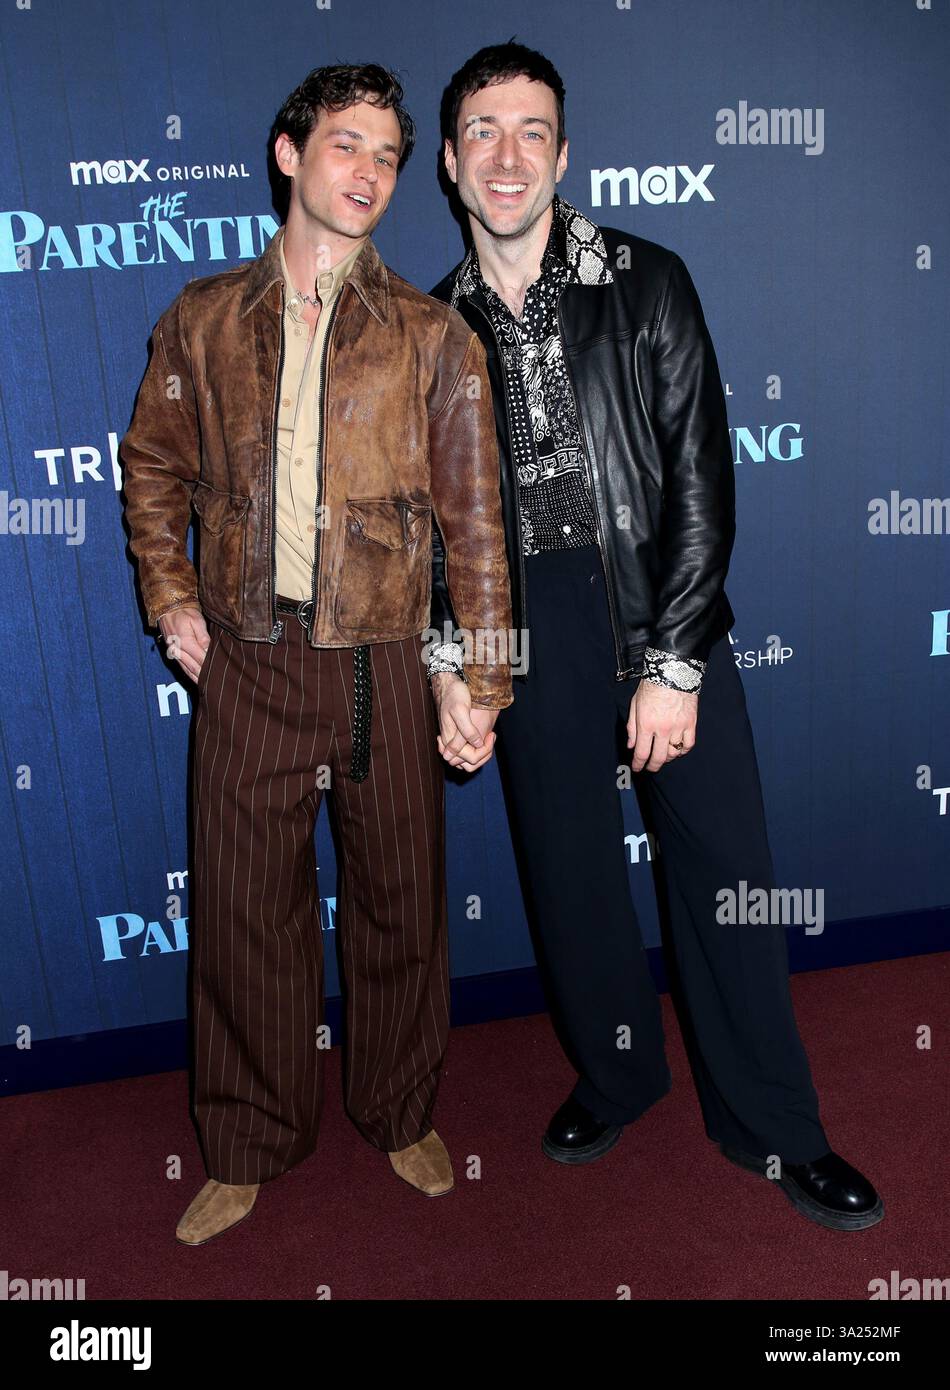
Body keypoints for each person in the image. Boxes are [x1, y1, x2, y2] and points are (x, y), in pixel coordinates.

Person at [426, 42, 882, 1231]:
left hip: (652, 606)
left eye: (531, 130)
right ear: (449, 162)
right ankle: (618, 1072)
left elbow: (697, 481)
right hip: (524, 630)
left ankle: (775, 1129)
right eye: (482, 130)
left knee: (725, 879)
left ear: (563, 153)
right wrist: (451, 668)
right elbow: (426, 526)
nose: (507, 153)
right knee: (572, 882)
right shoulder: (428, 329)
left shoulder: (648, 279)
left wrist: (670, 661)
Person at [120, 63, 512, 1246]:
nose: (371, 174)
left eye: (389, 155)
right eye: (347, 146)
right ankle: (246, 1140)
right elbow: (152, 470)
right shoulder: (201, 317)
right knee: (244, 915)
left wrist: (482, 676)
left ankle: (396, 1111)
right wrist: (171, 596)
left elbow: (477, 524)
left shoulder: (433, 335)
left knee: (399, 903)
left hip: (386, 657)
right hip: (245, 653)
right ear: (290, 154)